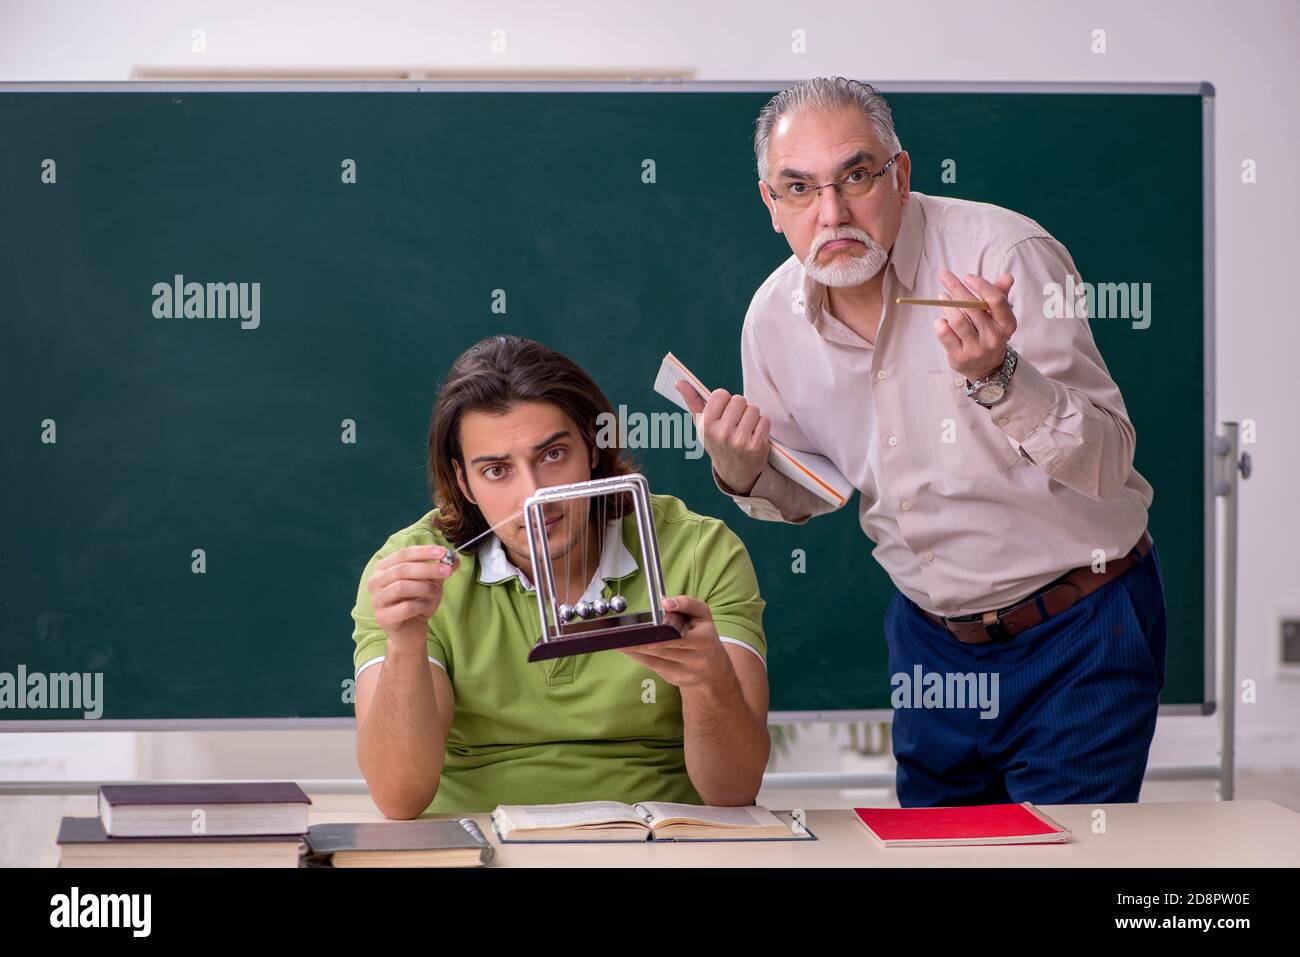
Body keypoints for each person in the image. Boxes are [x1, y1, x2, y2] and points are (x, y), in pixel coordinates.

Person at [680, 76, 1167, 807]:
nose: (833, 212)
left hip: (1080, 624)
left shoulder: (1005, 253)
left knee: (1063, 857)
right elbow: (809, 493)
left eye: (857, 175)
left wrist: (999, 375)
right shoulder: (771, 319)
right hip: (932, 642)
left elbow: (1107, 463)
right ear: (770, 203)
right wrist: (743, 471)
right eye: (801, 189)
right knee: (939, 853)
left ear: (901, 175)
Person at [351, 335, 770, 818]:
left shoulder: (700, 552)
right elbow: (398, 798)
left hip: (661, 843)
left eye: (552, 456)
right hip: (482, 842)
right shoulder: (409, 572)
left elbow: (734, 791)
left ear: (593, 447)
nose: (534, 497)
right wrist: (406, 640)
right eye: (496, 471)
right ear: (463, 482)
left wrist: (711, 681)